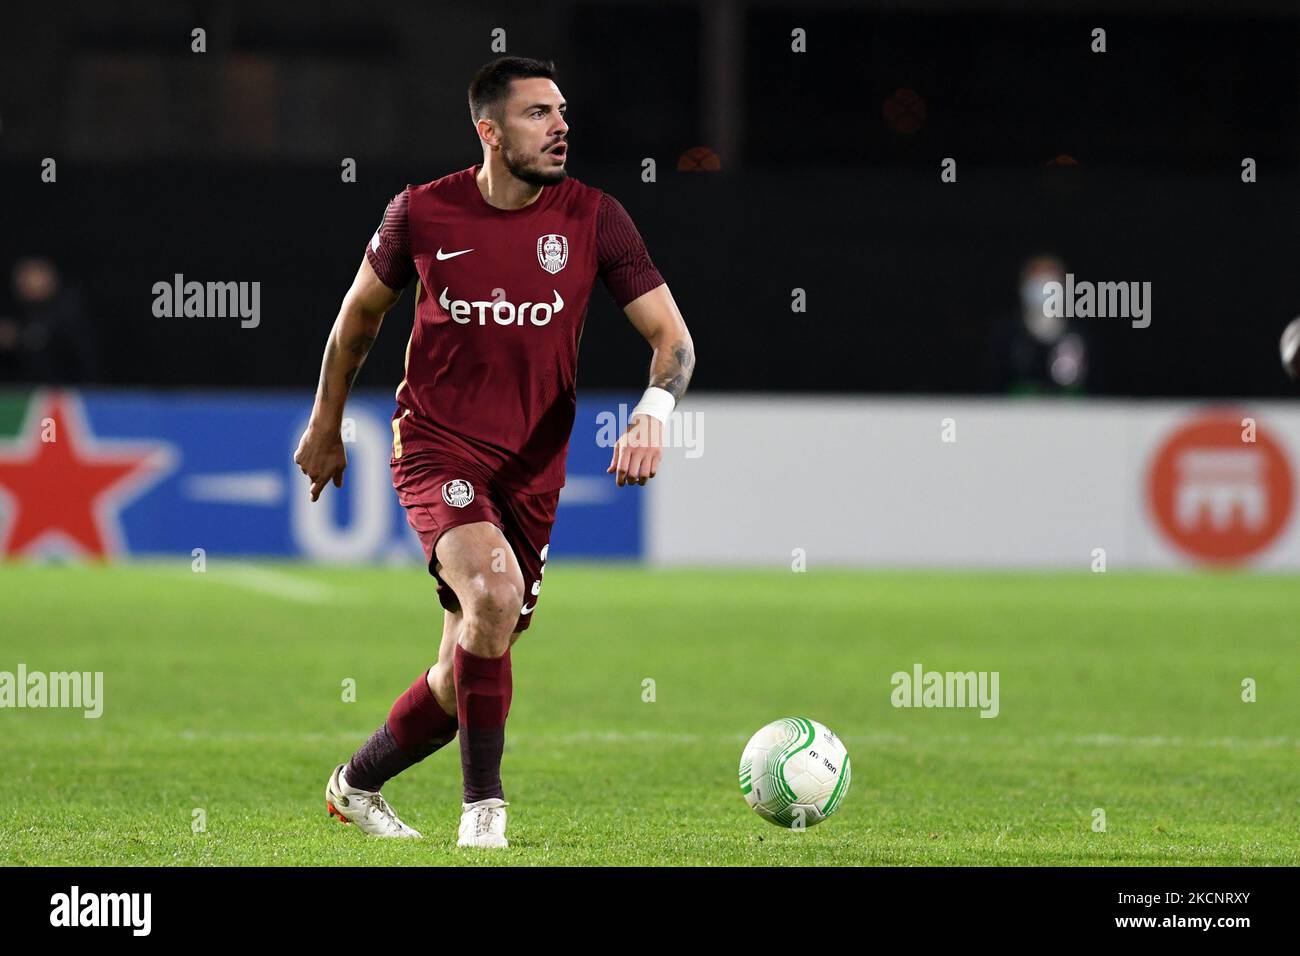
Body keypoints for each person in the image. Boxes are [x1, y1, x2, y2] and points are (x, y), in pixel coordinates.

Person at [293, 56, 695, 848]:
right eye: (538, 114)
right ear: (490, 131)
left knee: (467, 661)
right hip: (436, 449)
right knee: (492, 593)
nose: (560, 127)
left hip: (532, 471)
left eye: (562, 111)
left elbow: (672, 341)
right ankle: (485, 813)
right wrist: (325, 423)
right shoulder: (422, 213)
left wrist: (653, 413)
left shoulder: (595, 218)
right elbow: (358, 322)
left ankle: (356, 783)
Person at [984, 254, 1089, 395]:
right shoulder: (1005, 335)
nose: (1044, 289)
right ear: (1024, 285)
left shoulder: (1078, 335)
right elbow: (990, 387)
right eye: (1038, 281)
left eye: (1050, 282)